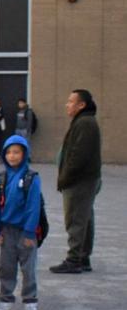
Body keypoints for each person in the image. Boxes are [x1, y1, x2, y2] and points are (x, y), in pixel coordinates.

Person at [0, 135, 45, 310]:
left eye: (17, 152)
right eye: (9, 152)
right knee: (6, 268)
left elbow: (33, 205)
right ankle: (5, 302)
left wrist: (30, 231)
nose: (12, 156)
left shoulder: (32, 178)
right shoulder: (1, 178)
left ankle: (30, 302)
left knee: (28, 269)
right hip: (6, 231)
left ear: (24, 153)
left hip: (26, 231)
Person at [53, 89, 101, 274]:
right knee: (85, 218)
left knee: (75, 219)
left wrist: (65, 178)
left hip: (79, 181)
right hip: (84, 179)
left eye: (71, 101)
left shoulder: (85, 123)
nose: (67, 104)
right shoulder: (83, 121)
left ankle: (74, 259)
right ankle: (83, 257)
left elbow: (78, 156)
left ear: (81, 105)